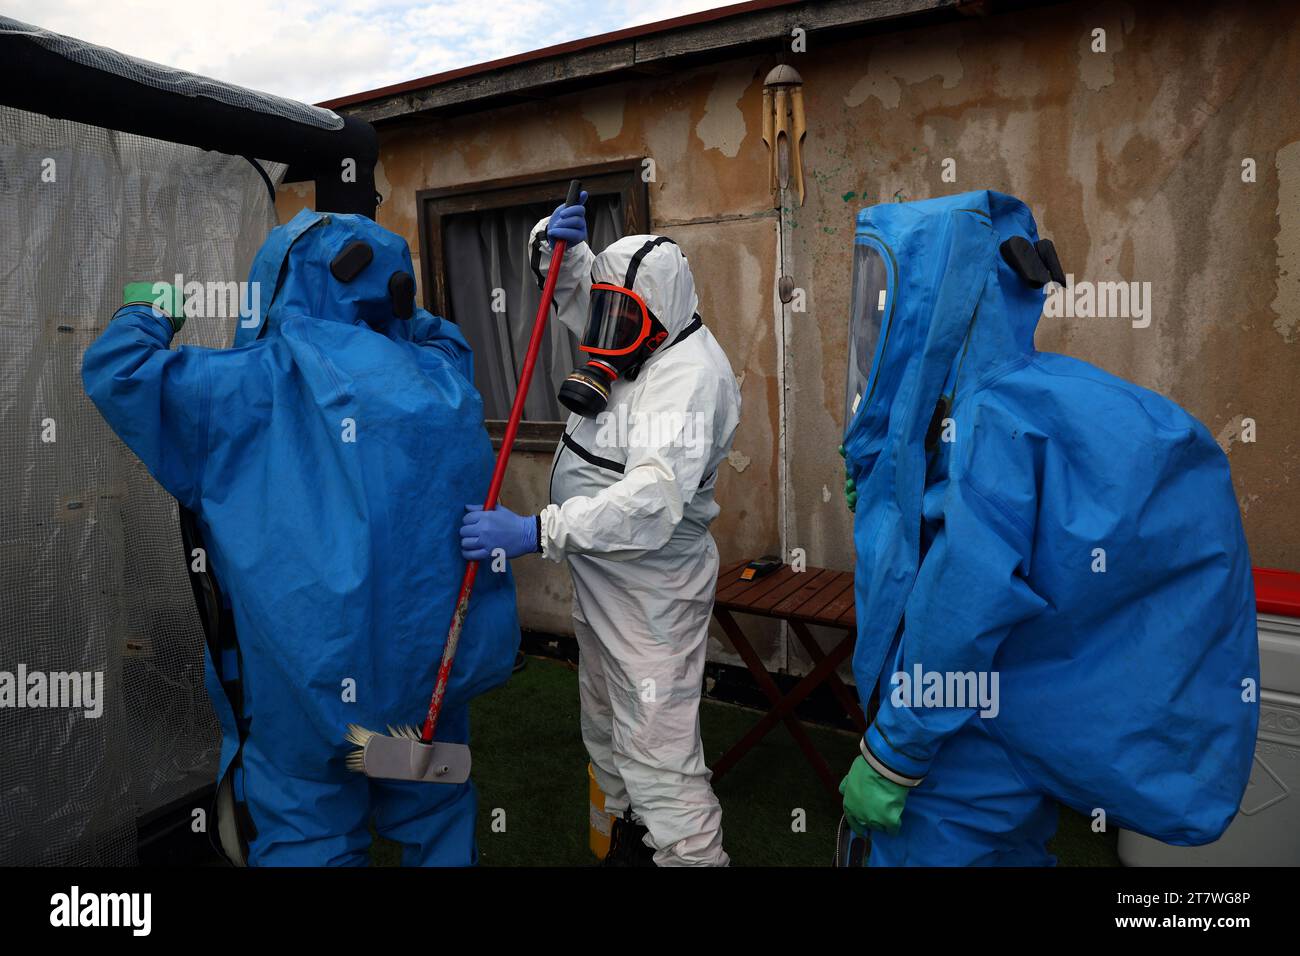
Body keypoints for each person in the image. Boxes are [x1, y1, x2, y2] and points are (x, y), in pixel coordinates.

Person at [82, 209, 519, 866]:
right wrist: (388, 298)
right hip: (429, 680)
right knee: (435, 811)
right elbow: (433, 330)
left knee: (308, 831)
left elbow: (119, 369)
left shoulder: (248, 385)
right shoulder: (443, 378)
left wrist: (153, 307)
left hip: (305, 692)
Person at [837, 190, 1259, 865]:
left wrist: (893, 754)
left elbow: (960, 608)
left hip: (958, 750)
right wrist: (898, 486)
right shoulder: (1032, 399)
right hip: (1009, 731)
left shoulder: (989, 422)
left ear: (939, 292)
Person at [459, 196, 741, 866]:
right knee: (607, 724)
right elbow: (572, 284)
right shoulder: (629, 320)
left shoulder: (691, 379)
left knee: (659, 754)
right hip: (601, 574)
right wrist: (552, 239)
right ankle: (624, 843)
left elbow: (650, 502)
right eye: (605, 309)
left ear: (660, 316)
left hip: (652, 592)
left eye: (621, 316)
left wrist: (536, 530)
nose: (603, 329)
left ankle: (689, 854)